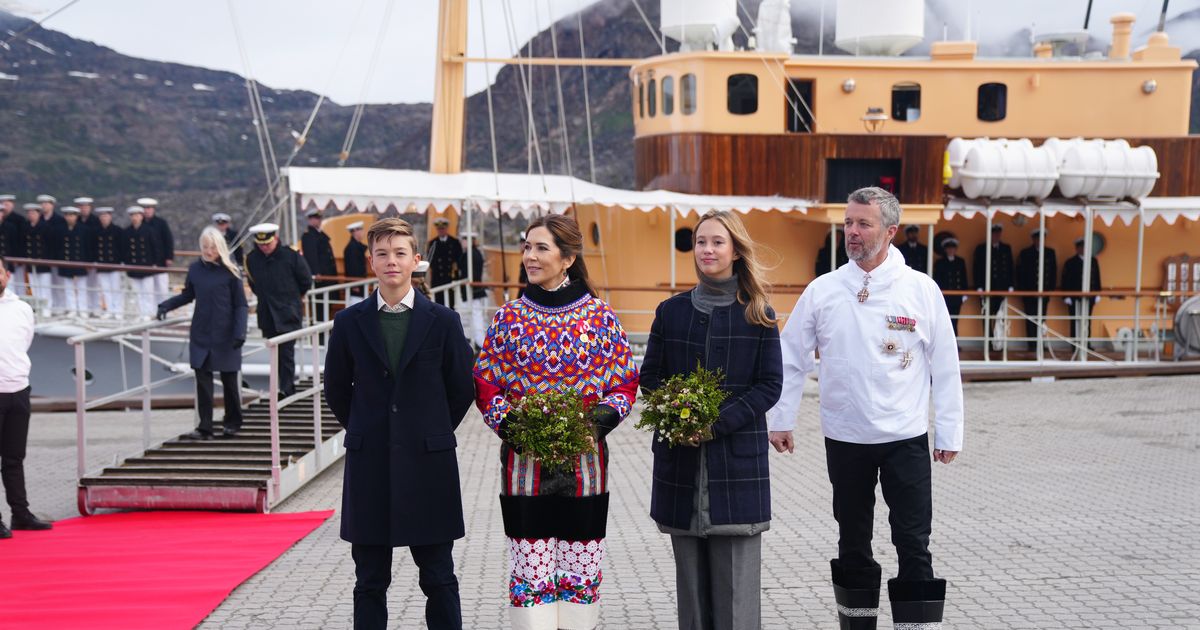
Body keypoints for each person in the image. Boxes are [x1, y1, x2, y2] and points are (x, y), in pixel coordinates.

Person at [768, 187, 964, 630]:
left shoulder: (920, 290)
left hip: (905, 438)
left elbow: (946, 366)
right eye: (848, 223)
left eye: (863, 224)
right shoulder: (824, 290)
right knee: (852, 541)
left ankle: (914, 626)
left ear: (890, 231)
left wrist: (949, 432)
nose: (852, 233)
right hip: (846, 437)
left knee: (914, 542)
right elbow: (792, 357)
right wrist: (781, 419)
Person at [473, 214, 639, 630]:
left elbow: (624, 383)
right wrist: (514, 430)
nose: (529, 255)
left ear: (567, 258)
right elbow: (486, 382)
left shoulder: (599, 316)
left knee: (581, 571)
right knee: (530, 574)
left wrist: (594, 425)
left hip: (585, 465)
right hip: (523, 467)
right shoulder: (508, 318)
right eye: (527, 246)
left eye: (540, 247)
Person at [324, 218, 475, 630]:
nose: (392, 261)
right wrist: (366, 429)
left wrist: (431, 431)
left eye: (400, 253)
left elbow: (461, 388)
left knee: (439, 578)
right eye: (383, 253)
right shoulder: (349, 322)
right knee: (370, 581)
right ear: (370, 261)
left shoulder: (442, 321)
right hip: (370, 463)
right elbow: (336, 388)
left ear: (416, 260)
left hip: (429, 465)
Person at [639, 210, 783, 630]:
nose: (707, 249)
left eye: (717, 242)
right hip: (681, 468)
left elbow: (769, 386)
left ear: (736, 250)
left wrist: (713, 423)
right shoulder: (671, 311)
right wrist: (677, 414)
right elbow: (650, 377)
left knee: (736, 598)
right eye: (702, 242)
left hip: (736, 467)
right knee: (692, 598)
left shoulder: (759, 313)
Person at [158, 228, 249, 441]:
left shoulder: (231, 271)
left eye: (213, 247)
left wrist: (240, 332)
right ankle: (205, 427)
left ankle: (233, 423)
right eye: (206, 247)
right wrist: (165, 305)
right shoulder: (195, 270)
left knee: (229, 381)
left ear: (221, 247)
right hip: (202, 333)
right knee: (203, 382)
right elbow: (188, 295)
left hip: (227, 333)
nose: (209, 251)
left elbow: (241, 306)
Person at [0, 257, 54, 539]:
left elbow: (24, 343)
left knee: (14, 458)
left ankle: (20, 514)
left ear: (7, 275)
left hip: (19, 390)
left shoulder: (22, 308)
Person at [245, 223, 312, 398]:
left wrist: (292, 299)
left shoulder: (291, 256)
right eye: (261, 245)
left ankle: (286, 389)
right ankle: (280, 388)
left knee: (286, 353)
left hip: (287, 312)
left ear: (275, 238)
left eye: (267, 243)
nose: (264, 247)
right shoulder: (252, 259)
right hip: (267, 314)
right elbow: (254, 285)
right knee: (275, 354)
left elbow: (305, 280)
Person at [1016, 229, 1057, 350]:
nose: (1040, 240)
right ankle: (1032, 344)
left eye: (1042, 238)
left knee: (1042, 318)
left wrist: (1049, 290)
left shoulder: (1050, 253)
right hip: (1029, 293)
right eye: (1037, 238)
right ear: (1033, 239)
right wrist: (1025, 291)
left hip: (1044, 293)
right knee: (1030, 319)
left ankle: (1040, 343)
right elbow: (1020, 273)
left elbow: (1053, 271)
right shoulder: (1025, 253)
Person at [973, 223, 1015, 334]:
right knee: (987, 316)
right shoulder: (981, 249)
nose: (996, 236)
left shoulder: (1006, 248)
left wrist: (1011, 285)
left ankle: (999, 342)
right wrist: (978, 287)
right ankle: (989, 343)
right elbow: (976, 268)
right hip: (986, 288)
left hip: (1002, 288)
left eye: (998, 233)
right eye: (994, 233)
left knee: (1000, 315)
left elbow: (1010, 267)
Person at [122, 205, 162, 319]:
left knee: (148, 292)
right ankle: (141, 313)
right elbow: (125, 249)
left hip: (147, 265)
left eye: (137, 215)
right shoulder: (127, 232)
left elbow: (155, 247)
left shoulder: (149, 230)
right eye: (133, 215)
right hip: (134, 266)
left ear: (141, 216)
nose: (135, 217)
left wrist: (155, 263)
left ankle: (148, 313)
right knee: (137, 292)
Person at [1062, 237, 1102, 346]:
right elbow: (1065, 280)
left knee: (1086, 320)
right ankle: (1075, 344)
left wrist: (1098, 293)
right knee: (1075, 321)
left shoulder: (1093, 261)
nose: (1083, 249)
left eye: (1085, 247)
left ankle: (1086, 343)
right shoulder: (1070, 262)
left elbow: (1097, 277)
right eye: (1081, 247)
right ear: (1077, 248)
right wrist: (1066, 296)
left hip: (1089, 296)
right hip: (1074, 297)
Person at [56, 206, 95, 316]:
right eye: (67, 215)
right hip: (66, 262)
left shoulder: (84, 230)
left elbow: (88, 247)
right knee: (68, 288)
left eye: (72, 215)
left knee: (82, 288)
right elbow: (58, 247)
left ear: (76, 216)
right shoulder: (60, 229)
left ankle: (83, 309)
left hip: (80, 262)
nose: (70, 218)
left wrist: (88, 262)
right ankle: (72, 308)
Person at [138, 197, 174, 303]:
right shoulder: (140, 224)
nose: (147, 211)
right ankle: (149, 311)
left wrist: (169, 257)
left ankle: (163, 310)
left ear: (153, 209)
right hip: (146, 261)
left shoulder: (161, 223)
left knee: (161, 288)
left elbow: (168, 240)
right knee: (147, 289)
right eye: (145, 208)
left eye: (149, 208)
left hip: (160, 260)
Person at [456, 231, 487, 348]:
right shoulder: (472, 253)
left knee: (476, 317)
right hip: (471, 291)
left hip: (473, 291)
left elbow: (472, 274)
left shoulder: (472, 254)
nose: (462, 242)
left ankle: (480, 342)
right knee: (470, 316)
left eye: (464, 240)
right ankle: (473, 340)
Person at [92, 207, 125, 318]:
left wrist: (121, 262)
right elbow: (94, 248)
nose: (104, 218)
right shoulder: (96, 231)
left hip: (114, 264)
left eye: (106, 216)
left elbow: (121, 247)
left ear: (110, 216)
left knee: (116, 288)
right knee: (105, 289)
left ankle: (118, 310)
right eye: (102, 216)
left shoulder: (118, 231)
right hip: (102, 264)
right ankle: (110, 310)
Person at [22, 203, 54, 317]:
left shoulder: (46, 227)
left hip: (44, 263)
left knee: (45, 288)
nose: (31, 215)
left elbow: (51, 245)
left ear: (38, 214)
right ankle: (37, 308)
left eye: (33, 213)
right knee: (34, 287)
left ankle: (47, 309)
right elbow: (24, 245)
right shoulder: (26, 227)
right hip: (31, 263)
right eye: (29, 213)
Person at [932, 237, 969, 336]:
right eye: (948, 248)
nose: (951, 250)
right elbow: (937, 279)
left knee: (955, 320)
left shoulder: (960, 261)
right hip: (945, 296)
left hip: (957, 297)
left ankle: (955, 342)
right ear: (945, 250)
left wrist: (965, 294)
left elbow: (963, 278)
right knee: (944, 321)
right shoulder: (940, 263)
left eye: (953, 248)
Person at [426, 216, 463, 308]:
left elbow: (459, 259)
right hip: (437, 278)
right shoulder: (432, 243)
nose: (441, 231)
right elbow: (430, 260)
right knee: (438, 304)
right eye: (439, 229)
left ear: (446, 229)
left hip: (450, 278)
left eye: (443, 228)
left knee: (450, 304)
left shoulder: (455, 242)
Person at [74, 197, 102, 313]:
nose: (83, 209)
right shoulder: (77, 221)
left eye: (86, 207)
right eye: (81, 207)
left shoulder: (96, 221)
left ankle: (95, 307)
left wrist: (93, 260)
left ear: (90, 208)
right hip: (80, 257)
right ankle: (84, 307)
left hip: (93, 257)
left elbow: (97, 242)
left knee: (93, 285)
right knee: (81, 285)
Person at [301, 208, 337, 286]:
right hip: (321, 275)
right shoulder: (309, 236)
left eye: (319, 218)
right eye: (316, 218)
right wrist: (316, 272)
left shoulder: (320, 234)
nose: (319, 220)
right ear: (310, 220)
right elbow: (311, 255)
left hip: (328, 272)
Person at [0, 195, 27, 298]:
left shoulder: (11, 227)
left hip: (9, 259)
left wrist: (17, 258)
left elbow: (15, 243)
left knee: (13, 282)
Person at [342, 221, 369, 305]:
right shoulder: (352, 248)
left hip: (360, 283)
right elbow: (351, 267)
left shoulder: (356, 246)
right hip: (356, 285)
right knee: (356, 307)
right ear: (354, 232)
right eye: (360, 230)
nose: (363, 232)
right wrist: (354, 285)